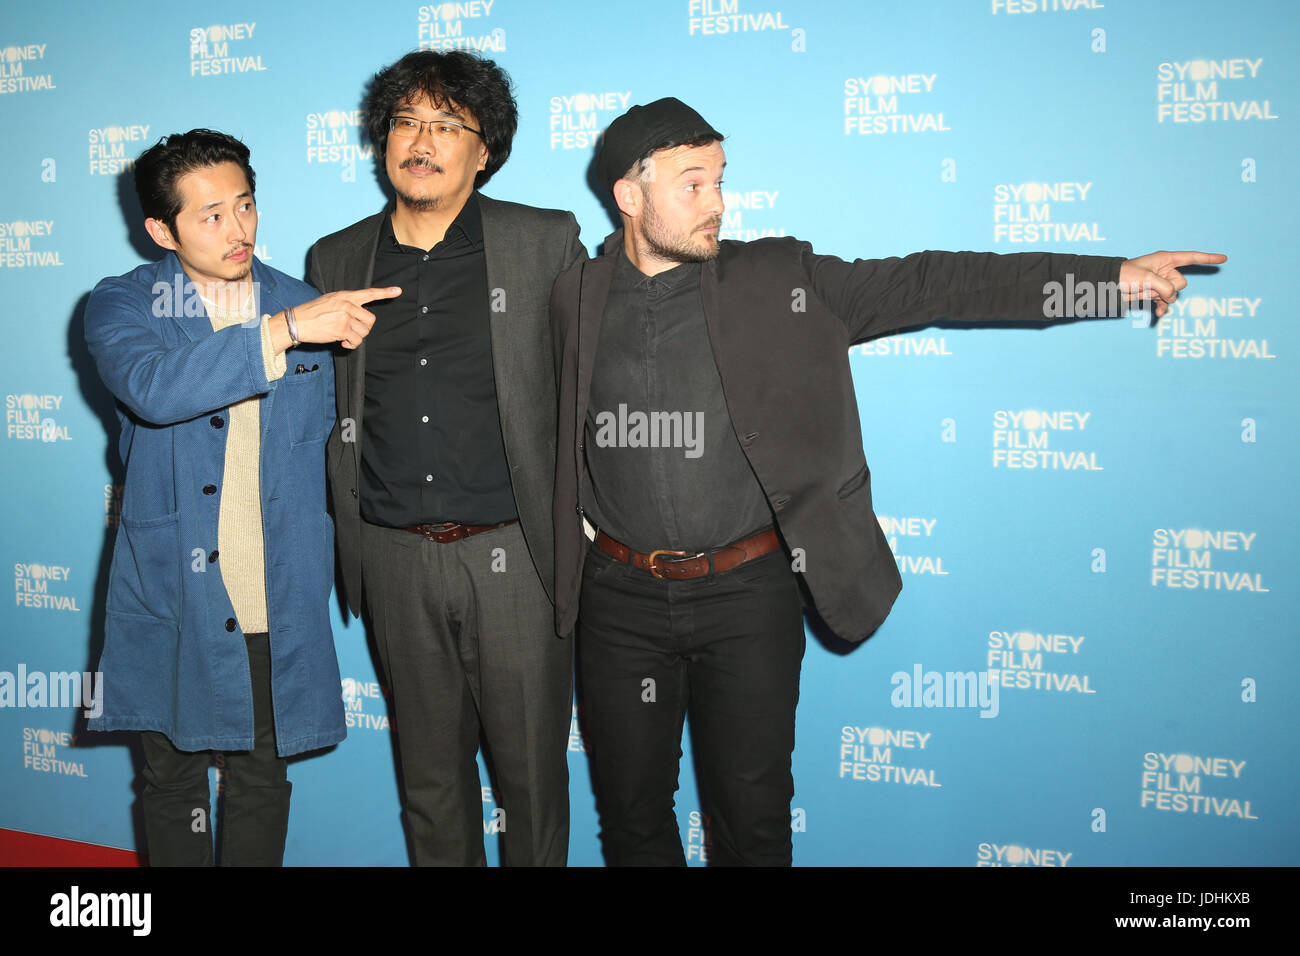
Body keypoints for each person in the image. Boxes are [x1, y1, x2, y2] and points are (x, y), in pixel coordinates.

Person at [550, 97, 1226, 866]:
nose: (718, 204)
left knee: (753, 819)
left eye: (721, 181)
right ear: (629, 197)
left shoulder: (780, 279)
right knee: (632, 818)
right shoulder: (574, 294)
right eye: (693, 184)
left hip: (747, 596)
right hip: (619, 598)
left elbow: (937, 284)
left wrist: (1109, 281)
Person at [85, 128, 398, 865]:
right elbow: (156, 391)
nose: (238, 230)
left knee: (261, 781)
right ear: (161, 229)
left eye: (246, 205)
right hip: (174, 593)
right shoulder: (123, 305)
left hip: (273, 592)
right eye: (210, 215)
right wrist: (283, 331)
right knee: (171, 783)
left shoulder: (307, 302)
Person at [309, 50, 584, 866]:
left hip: (515, 557)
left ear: (484, 150)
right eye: (405, 122)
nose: (420, 141)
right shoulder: (335, 259)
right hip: (392, 561)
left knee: (532, 784)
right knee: (428, 786)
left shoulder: (542, 242)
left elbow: (598, 377)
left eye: (445, 125)